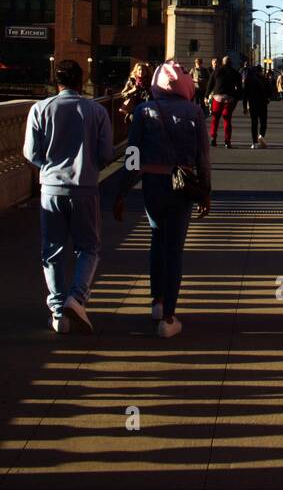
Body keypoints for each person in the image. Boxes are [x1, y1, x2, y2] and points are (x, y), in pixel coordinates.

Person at [113, 60, 211, 339]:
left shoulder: (144, 111)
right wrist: (206, 191)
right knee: (175, 249)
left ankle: (156, 301)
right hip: (182, 186)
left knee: (157, 238)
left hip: (152, 185)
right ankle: (169, 316)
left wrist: (122, 191)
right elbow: (203, 157)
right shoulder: (194, 111)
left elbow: (132, 154)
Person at [23, 58, 115, 334]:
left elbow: (30, 153)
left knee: (52, 251)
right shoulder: (96, 111)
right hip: (85, 187)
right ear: (81, 80)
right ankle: (77, 297)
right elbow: (106, 153)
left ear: (56, 80)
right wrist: (88, 166)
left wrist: (49, 169)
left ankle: (57, 310)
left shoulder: (40, 108)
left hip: (51, 188)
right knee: (88, 247)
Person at [206, 55, 242, 148]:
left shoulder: (216, 71)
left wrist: (206, 96)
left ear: (222, 62)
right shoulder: (235, 73)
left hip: (217, 97)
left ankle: (213, 138)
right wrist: (237, 98)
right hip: (229, 98)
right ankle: (227, 141)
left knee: (215, 118)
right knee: (227, 120)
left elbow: (210, 84)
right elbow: (239, 88)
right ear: (231, 63)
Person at [243, 64, 270, 149]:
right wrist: (267, 98)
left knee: (254, 123)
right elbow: (271, 92)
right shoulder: (265, 79)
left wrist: (244, 107)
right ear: (261, 71)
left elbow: (245, 95)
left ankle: (254, 143)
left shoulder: (248, 80)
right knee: (263, 121)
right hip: (262, 103)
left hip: (252, 104)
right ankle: (261, 136)